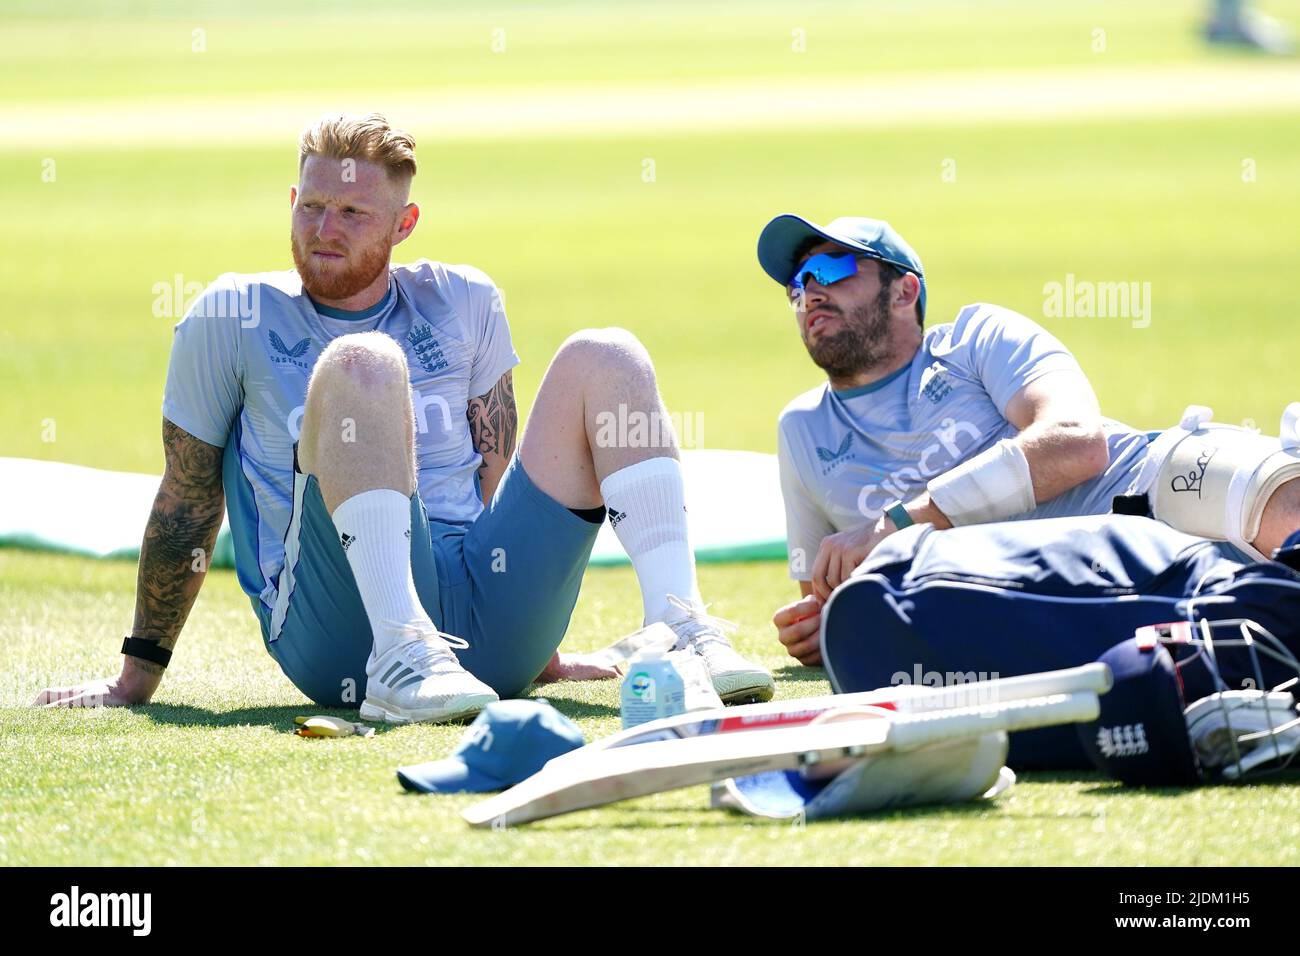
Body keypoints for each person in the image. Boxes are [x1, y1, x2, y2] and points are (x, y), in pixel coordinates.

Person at [32, 113, 773, 723]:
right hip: (339, 638)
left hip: (484, 630)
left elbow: (494, 487)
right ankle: (400, 654)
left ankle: (680, 627)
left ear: (405, 222)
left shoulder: (467, 299)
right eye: (311, 206)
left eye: (353, 212)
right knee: (364, 362)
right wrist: (139, 671)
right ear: (292, 199)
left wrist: (535, 635)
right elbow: (188, 497)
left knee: (606, 354)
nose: (325, 227)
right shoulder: (230, 314)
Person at [761, 214, 1300, 667]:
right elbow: (823, 599)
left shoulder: (978, 337)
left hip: (1136, 493)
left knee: (1273, 496)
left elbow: (1077, 443)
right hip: (1036, 593)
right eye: (798, 282)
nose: (810, 291)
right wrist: (816, 626)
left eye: (833, 268)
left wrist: (899, 524)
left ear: (905, 291)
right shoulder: (801, 428)